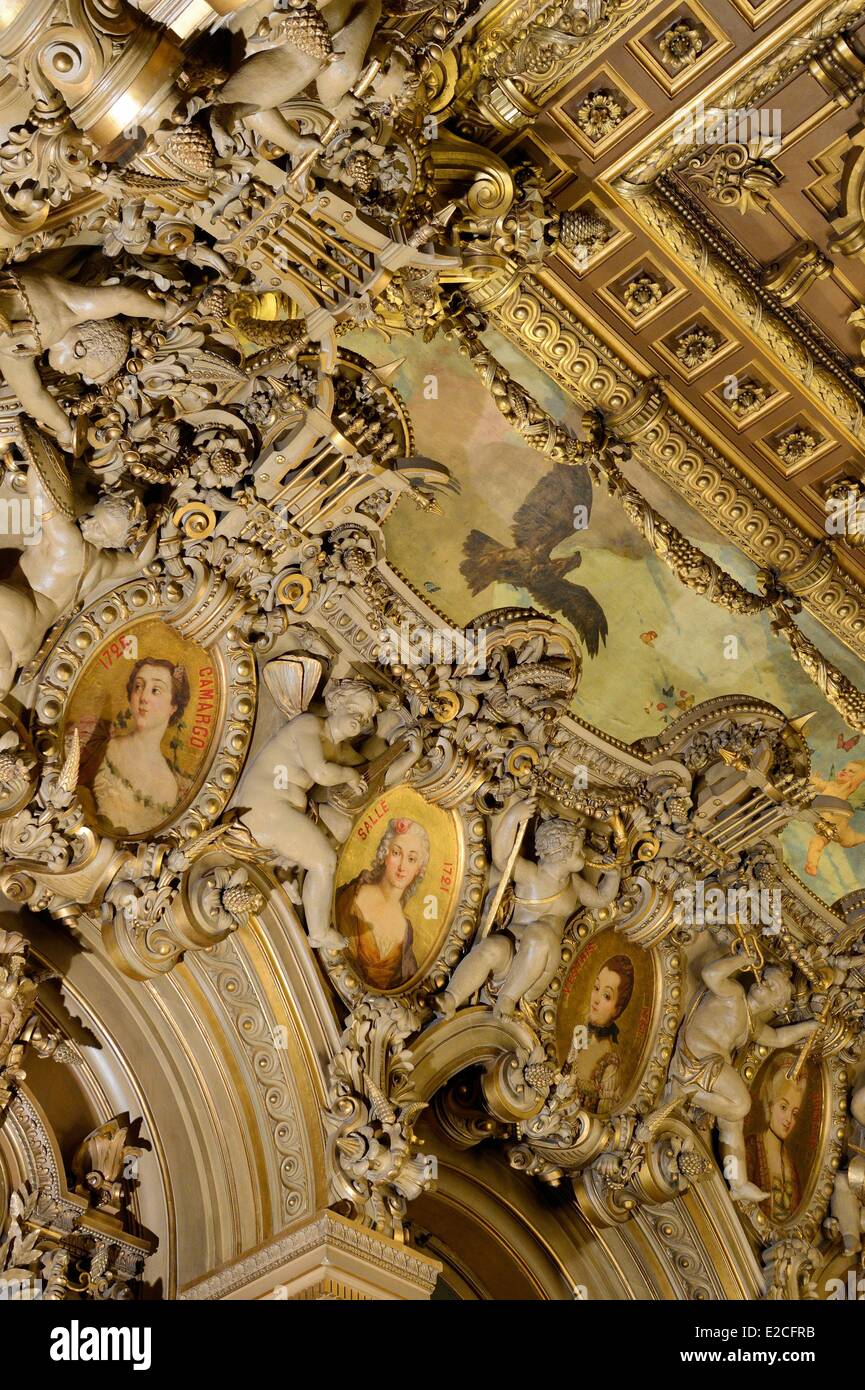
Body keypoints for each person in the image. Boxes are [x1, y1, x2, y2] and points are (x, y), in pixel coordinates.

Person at [0, 447, 158, 702]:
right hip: (28, 644)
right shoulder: (104, 565)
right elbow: (141, 559)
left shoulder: (69, 542)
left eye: (93, 515)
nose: (87, 520)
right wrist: (155, 519)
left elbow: (41, 494)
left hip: (18, 611)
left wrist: (36, 455)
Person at [234, 678, 378, 950]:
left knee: (341, 827)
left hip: (291, 810)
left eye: (365, 717)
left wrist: (406, 754)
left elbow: (372, 773)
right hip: (265, 808)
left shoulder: (340, 749)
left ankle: (287, 866)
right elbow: (320, 772)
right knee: (324, 861)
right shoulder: (309, 724)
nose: (359, 719)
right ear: (336, 704)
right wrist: (348, 774)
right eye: (354, 710)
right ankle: (319, 932)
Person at [669, 950, 819, 1202]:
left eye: (771, 986)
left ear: (776, 1004)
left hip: (708, 1065)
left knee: (732, 1122)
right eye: (764, 977)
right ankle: (686, 1092)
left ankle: (737, 1181)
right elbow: (710, 974)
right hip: (699, 1058)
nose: (762, 982)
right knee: (741, 1105)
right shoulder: (734, 993)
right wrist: (741, 960)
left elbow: (779, 1037)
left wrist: (810, 1027)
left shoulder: (752, 1026)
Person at [0, 268, 171, 450]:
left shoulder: (18, 354)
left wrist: (63, 428)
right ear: (81, 349)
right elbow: (121, 298)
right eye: (82, 369)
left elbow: (33, 395)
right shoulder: (68, 308)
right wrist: (165, 313)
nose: (72, 373)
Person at [89, 658, 191, 836]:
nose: (143, 697)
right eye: (138, 687)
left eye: (155, 690)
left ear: (173, 706)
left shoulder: (175, 785)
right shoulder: (99, 746)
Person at [335, 816, 429, 990]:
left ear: (418, 869)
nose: (402, 866)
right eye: (396, 853)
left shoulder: (406, 929)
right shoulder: (352, 897)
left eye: (411, 859)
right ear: (385, 855)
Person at [559, 954, 634, 1115]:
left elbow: (600, 1119)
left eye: (606, 996)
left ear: (617, 1009)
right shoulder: (580, 1034)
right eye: (596, 988)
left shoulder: (611, 1063)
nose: (596, 1000)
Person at [745, 1055, 806, 1221]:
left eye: (794, 1113)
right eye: (783, 1107)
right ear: (770, 1105)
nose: (789, 1120)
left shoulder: (790, 1165)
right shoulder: (750, 1148)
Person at [804, 758, 865, 875]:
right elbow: (817, 783)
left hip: (841, 829)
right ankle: (812, 864)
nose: (846, 771)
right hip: (825, 828)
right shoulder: (830, 785)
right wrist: (810, 779)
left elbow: (858, 779)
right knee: (816, 842)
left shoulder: (846, 788)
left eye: (851, 772)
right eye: (844, 769)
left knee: (850, 841)